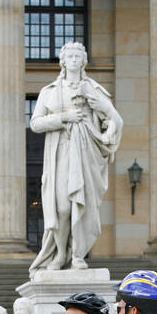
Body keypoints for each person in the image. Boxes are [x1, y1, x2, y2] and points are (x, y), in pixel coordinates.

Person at [28, 41, 124, 274]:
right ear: (62, 61)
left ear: (83, 61)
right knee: (61, 207)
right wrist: (64, 117)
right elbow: (35, 123)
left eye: (77, 56)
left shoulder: (95, 90)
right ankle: (61, 253)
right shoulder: (49, 91)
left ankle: (78, 255)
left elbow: (114, 119)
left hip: (86, 154)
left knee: (82, 206)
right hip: (60, 152)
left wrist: (109, 127)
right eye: (69, 56)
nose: (73, 60)